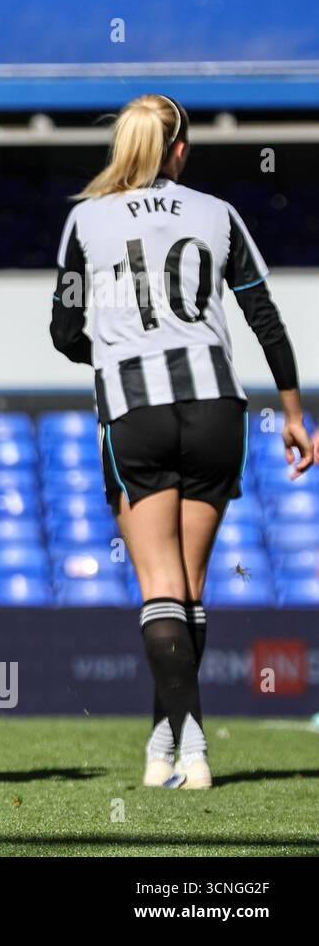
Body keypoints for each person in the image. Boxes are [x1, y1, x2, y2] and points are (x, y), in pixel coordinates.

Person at [50, 94, 313, 788]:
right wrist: (293, 412)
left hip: (136, 409)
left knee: (161, 587)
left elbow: (63, 332)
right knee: (190, 589)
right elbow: (265, 317)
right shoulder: (217, 213)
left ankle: (190, 746)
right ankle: (163, 748)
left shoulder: (86, 219)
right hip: (216, 408)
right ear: (181, 148)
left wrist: (110, 349)